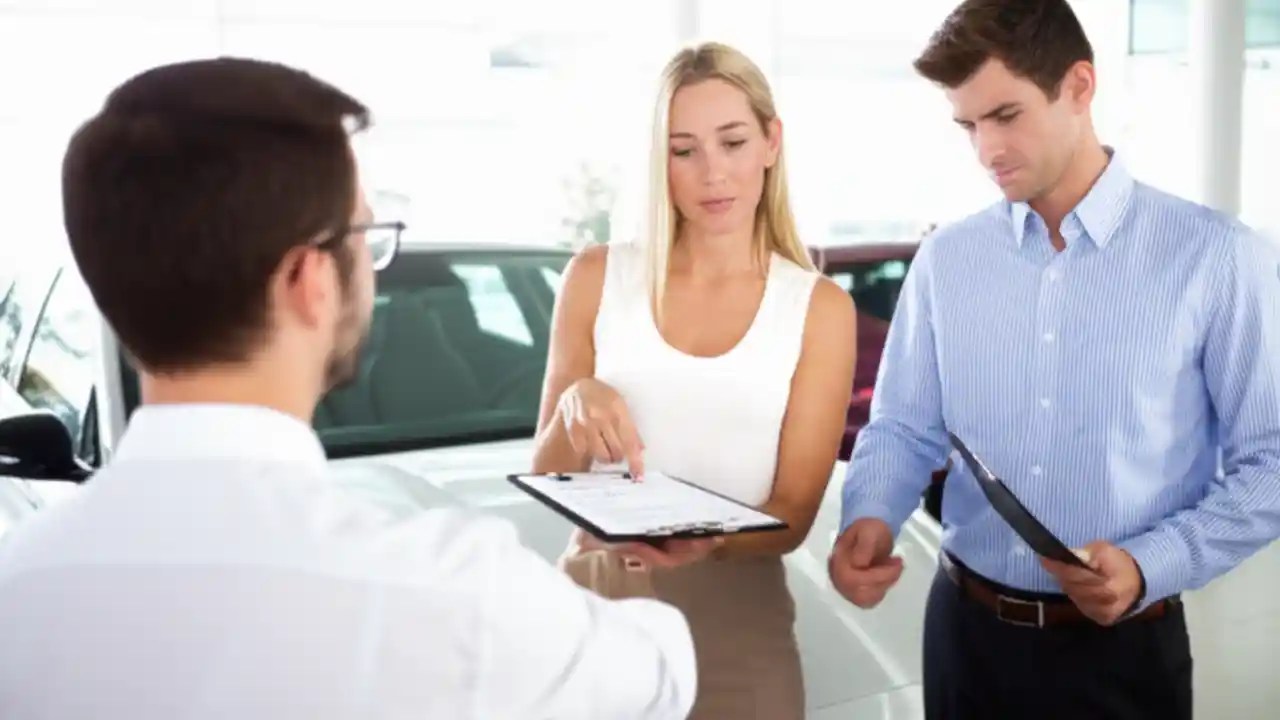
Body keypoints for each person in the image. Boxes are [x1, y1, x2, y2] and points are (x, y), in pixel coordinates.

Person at [0, 58, 696, 720]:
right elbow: (661, 679)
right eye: (368, 234)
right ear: (311, 281)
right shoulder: (457, 588)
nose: (372, 262)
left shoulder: (16, 592)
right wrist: (612, 566)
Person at [828, 1, 1280, 718]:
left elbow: (1272, 462)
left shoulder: (1216, 259)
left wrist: (1148, 564)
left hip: (1123, 655)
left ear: (1079, 86)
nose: (986, 150)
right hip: (962, 639)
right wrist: (872, 514)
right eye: (968, 125)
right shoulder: (948, 260)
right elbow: (904, 427)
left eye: (1005, 115)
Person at [532, 42, 856, 719]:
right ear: (661, 161)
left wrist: (700, 537)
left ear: (771, 142)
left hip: (739, 629)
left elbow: (793, 513)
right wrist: (574, 402)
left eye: (732, 142)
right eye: (684, 150)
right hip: (594, 612)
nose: (713, 174)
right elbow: (550, 475)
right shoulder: (596, 277)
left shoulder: (818, 309)